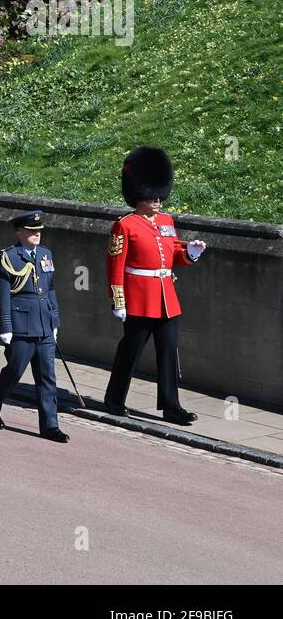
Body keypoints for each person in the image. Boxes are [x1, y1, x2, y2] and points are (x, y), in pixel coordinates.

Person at [103, 146, 206, 425]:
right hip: (138, 299)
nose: (158, 199)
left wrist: (190, 254)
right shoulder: (125, 225)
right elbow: (116, 266)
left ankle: (171, 405)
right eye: (152, 194)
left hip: (166, 298)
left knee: (169, 353)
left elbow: (173, 254)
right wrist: (118, 301)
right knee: (131, 352)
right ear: (139, 194)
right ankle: (115, 399)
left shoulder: (166, 221)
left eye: (159, 193)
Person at [0, 210, 69, 443]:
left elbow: (50, 290)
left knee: (47, 377)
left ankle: (50, 426)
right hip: (21, 325)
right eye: (31, 231)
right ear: (19, 232)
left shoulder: (45, 254)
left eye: (38, 231)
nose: (37, 235)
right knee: (14, 372)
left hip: (44, 324)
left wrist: (55, 320)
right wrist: (5, 327)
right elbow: (1, 296)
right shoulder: (9, 256)